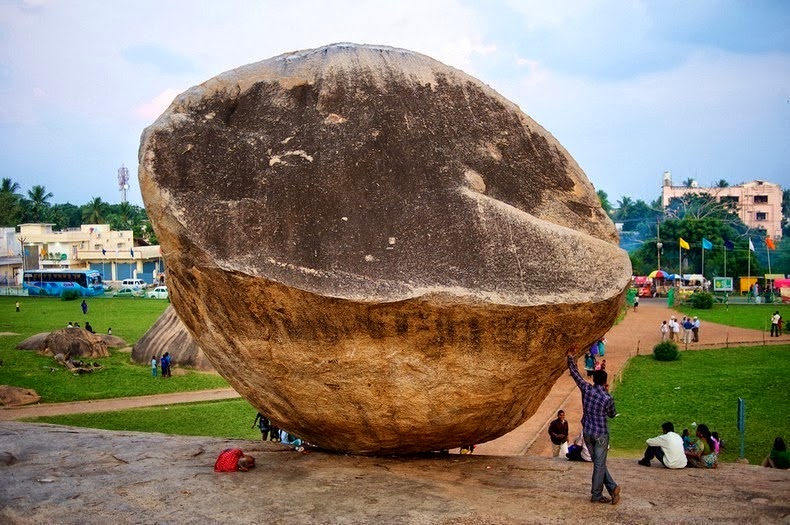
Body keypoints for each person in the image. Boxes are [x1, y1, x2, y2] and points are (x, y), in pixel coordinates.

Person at [568, 349, 620, 505]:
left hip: (588, 433)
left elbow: (576, 375)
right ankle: (596, 495)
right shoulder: (607, 398)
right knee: (599, 464)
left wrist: (570, 358)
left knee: (598, 464)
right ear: (605, 382)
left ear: (594, 379)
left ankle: (613, 488)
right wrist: (607, 393)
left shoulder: (587, 389)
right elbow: (612, 414)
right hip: (601, 434)